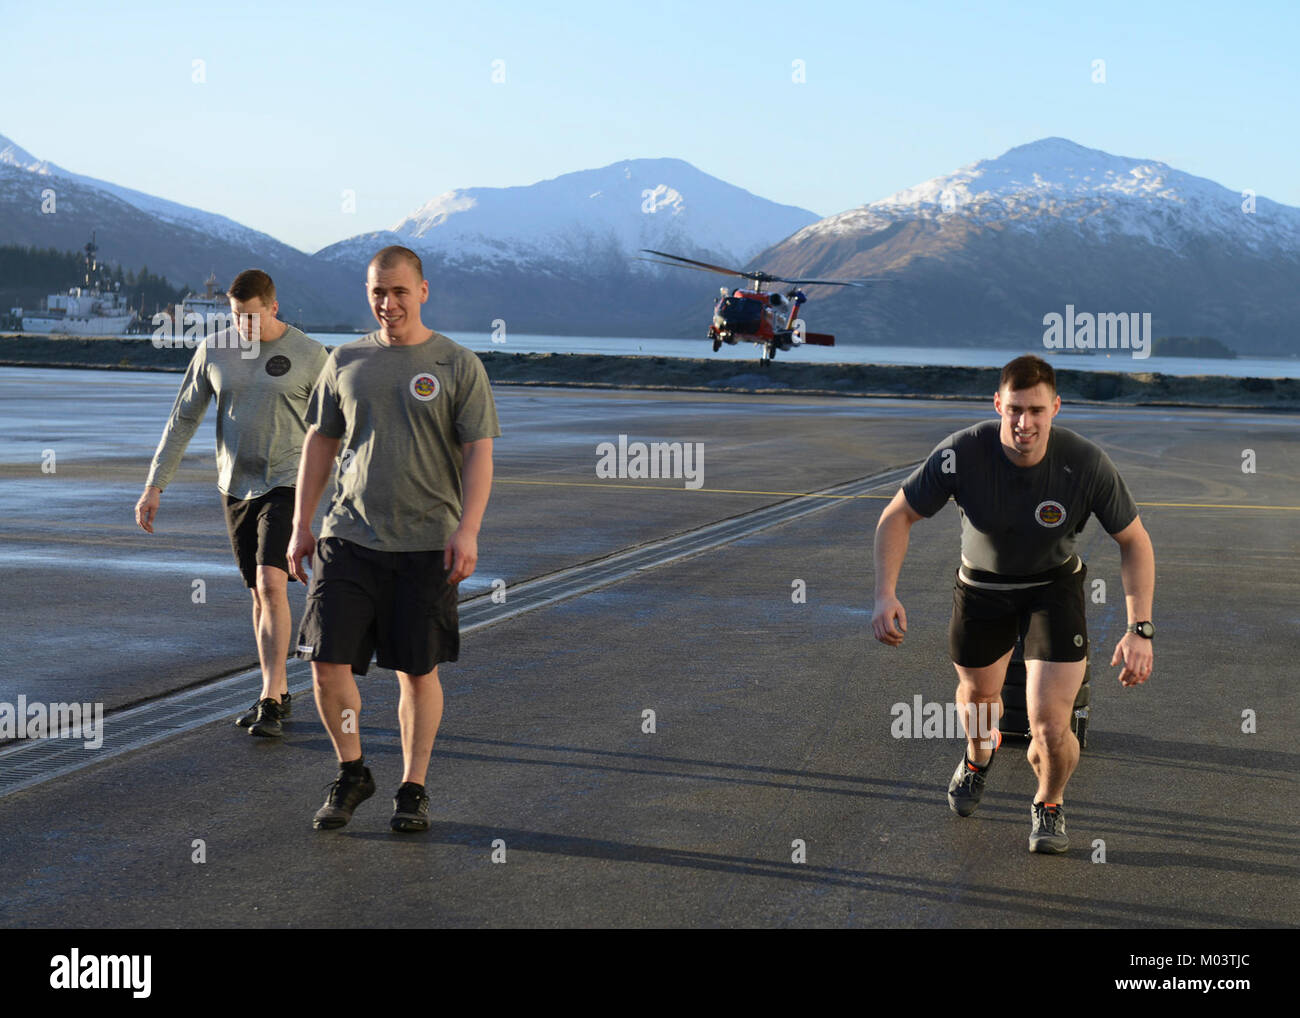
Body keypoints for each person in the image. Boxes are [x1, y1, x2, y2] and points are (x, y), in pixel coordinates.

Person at [871, 354, 1155, 854]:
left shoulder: (1085, 463)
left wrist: (1140, 628)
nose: (1025, 423)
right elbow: (898, 515)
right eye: (1015, 410)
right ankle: (979, 755)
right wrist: (884, 594)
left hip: (1053, 590)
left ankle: (1049, 803)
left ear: (1056, 408)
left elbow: (1134, 540)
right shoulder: (961, 454)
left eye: (1037, 411)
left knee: (1050, 722)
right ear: (998, 403)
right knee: (980, 703)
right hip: (982, 589)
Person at [287, 245, 499, 833]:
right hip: (347, 536)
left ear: (423, 291)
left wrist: (469, 528)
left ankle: (413, 787)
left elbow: (478, 452)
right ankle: (352, 771)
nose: (389, 303)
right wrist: (303, 525)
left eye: (400, 291)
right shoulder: (345, 359)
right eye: (378, 292)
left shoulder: (458, 364)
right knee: (326, 662)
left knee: (416, 670)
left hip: (426, 542)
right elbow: (320, 443)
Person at [135, 269, 328, 738]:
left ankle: (270, 696)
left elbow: (335, 427)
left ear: (273, 308)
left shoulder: (309, 355)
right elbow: (182, 419)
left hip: (288, 482)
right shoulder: (215, 349)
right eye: (235, 316)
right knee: (258, 594)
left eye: (250, 316)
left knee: (271, 583)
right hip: (235, 487)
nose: (242, 325)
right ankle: (276, 691)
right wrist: (154, 485)